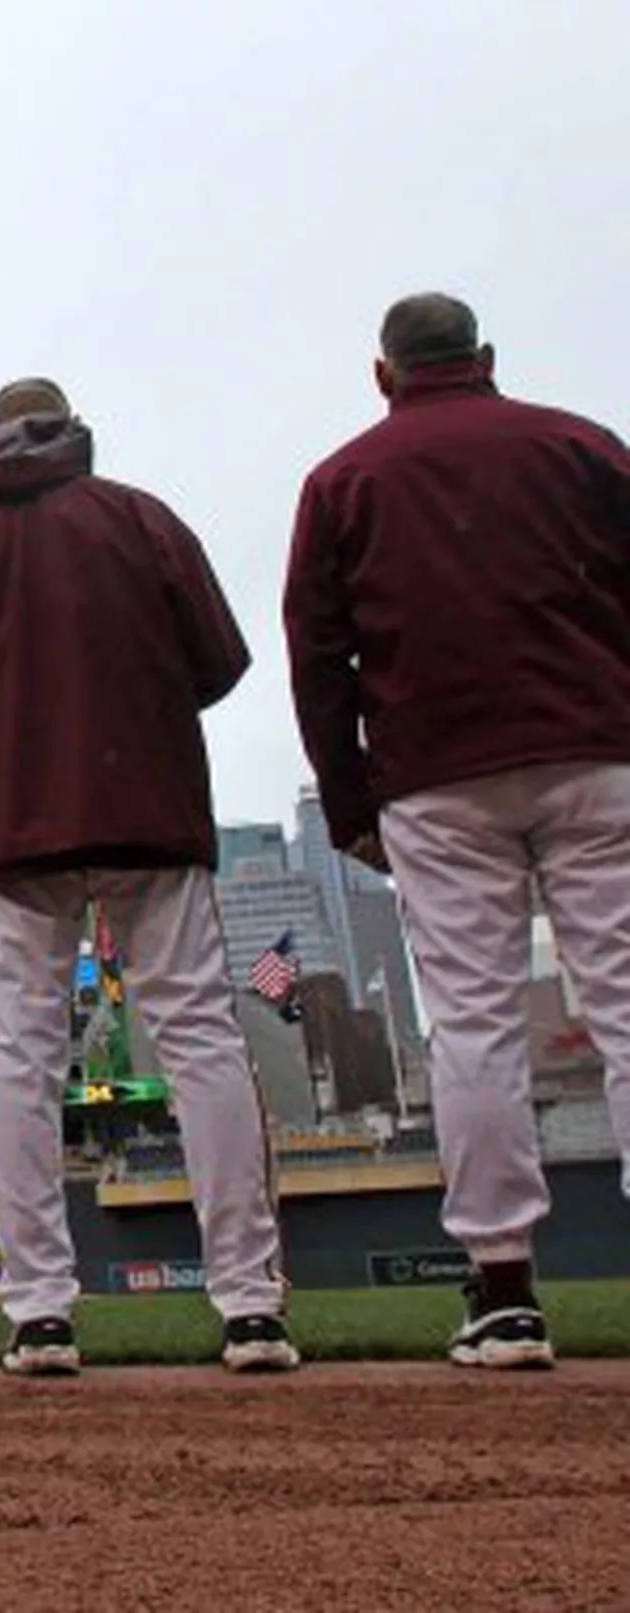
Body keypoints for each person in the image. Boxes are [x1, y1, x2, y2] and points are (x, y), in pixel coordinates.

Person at [0, 378, 298, 1377]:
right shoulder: (137, 516)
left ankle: (36, 1312)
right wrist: (136, 713)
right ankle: (248, 1306)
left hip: (8, 825)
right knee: (197, 1039)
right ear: (72, 429)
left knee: (18, 1059)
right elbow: (219, 660)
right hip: (145, 807)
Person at [285, 293, 630, 1370]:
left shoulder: (342, 478)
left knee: (472, 1025)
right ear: (482, 356)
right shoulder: (579, 445)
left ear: (381, 373)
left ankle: (502, 1289)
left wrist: (347, 804)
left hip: (433, 775)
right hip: (595, 746)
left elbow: (316, 658)